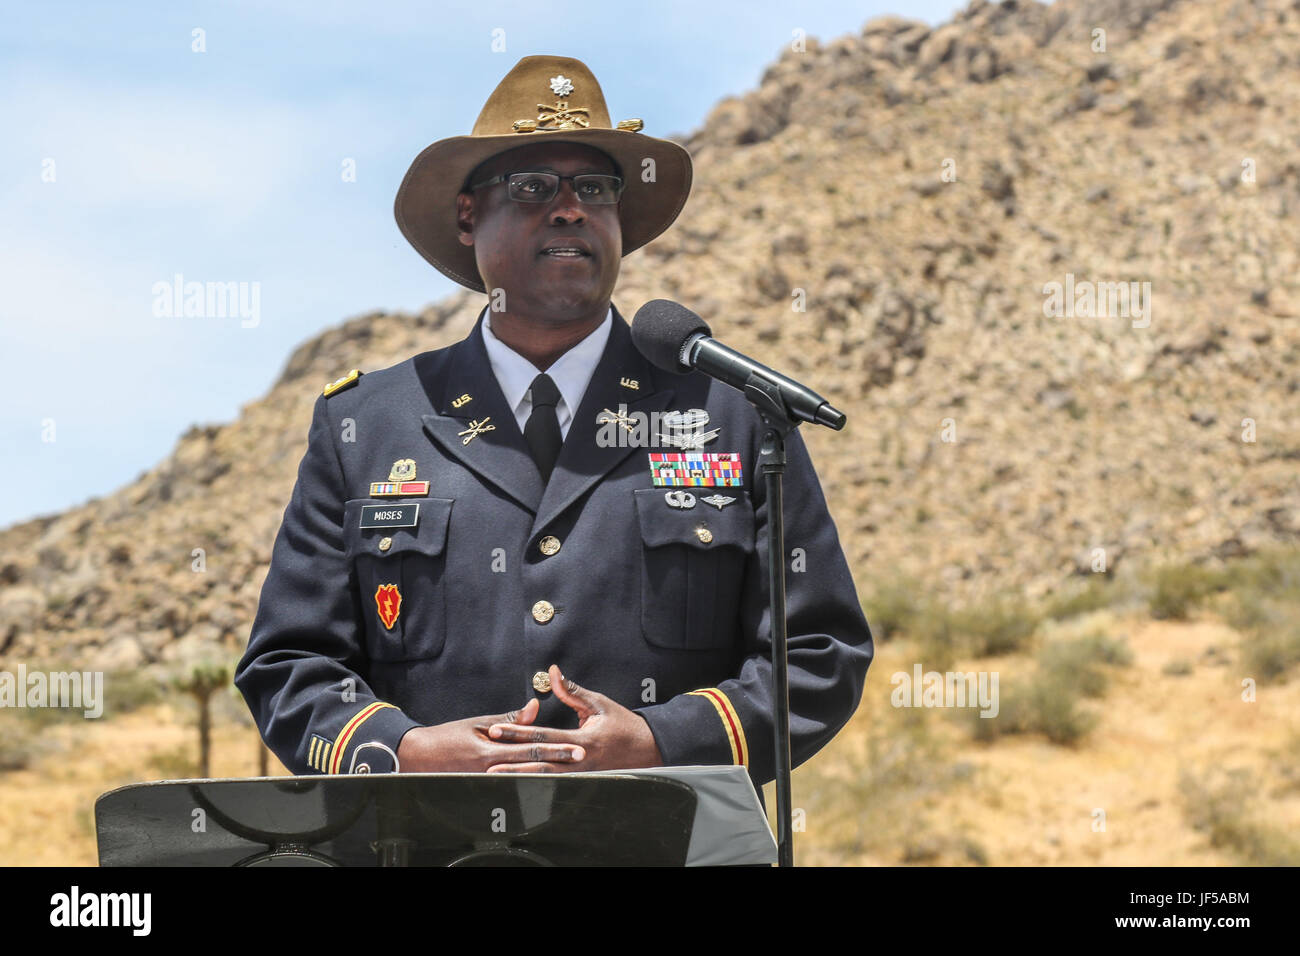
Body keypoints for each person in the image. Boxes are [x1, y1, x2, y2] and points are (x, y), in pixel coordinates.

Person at [235, 55, 872, 791]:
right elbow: (289, 667)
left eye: (595, 189)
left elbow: (821, 653)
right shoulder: (370, 424)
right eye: (534, 187)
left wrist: (663, 740)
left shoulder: (731, 412)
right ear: (468, 215)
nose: (570, 208)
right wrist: (403, 753)